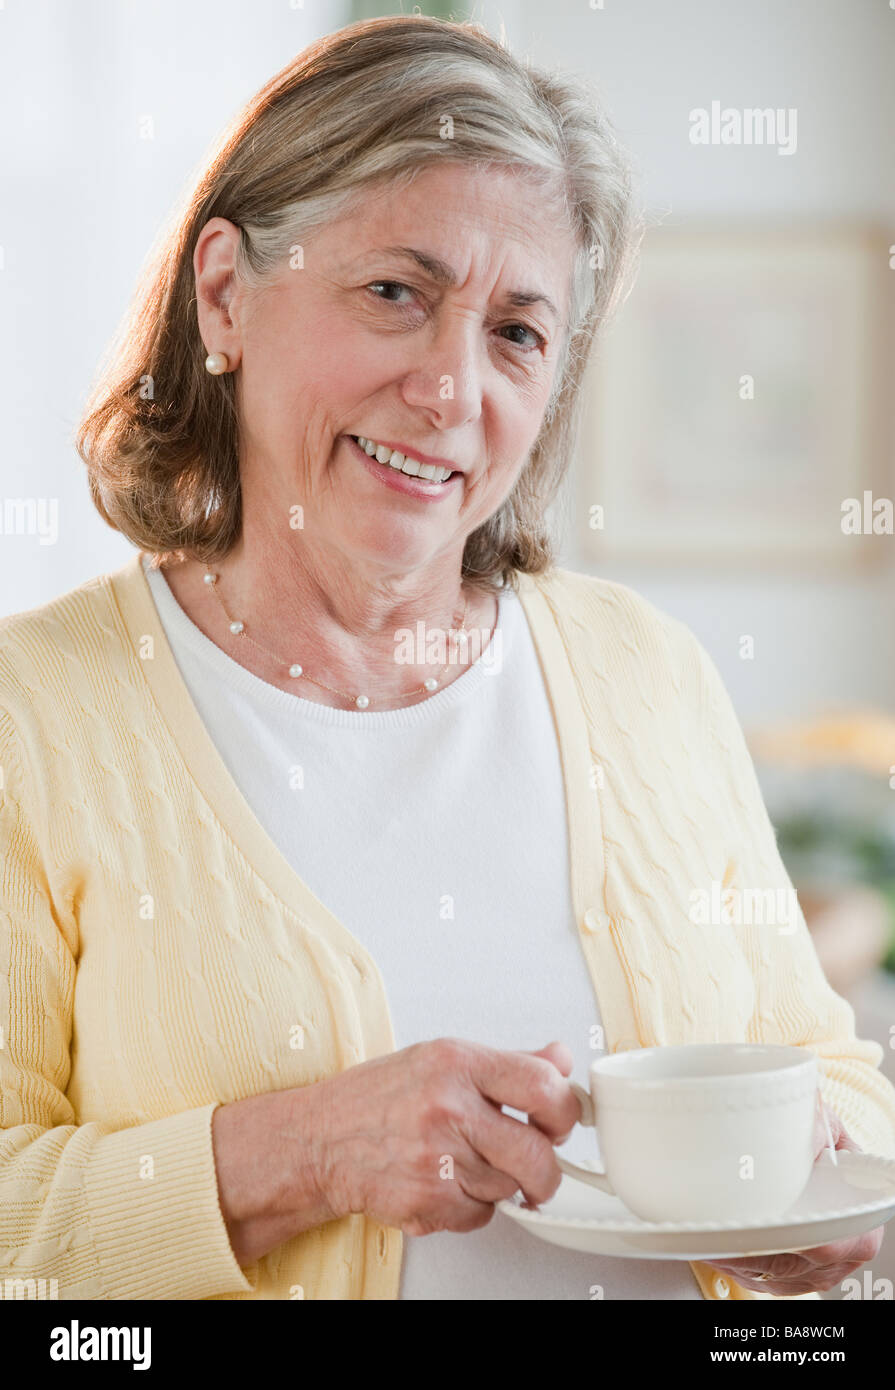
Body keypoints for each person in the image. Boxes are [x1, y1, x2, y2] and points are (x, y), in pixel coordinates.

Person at [1, 14, 891, 1302]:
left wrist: (823, 1167)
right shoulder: (38, 716)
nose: (451, 389)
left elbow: (826, 1060)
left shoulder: (645, 669)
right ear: (224, 295)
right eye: (395, 294)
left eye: (518, 333)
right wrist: (300, 1153)